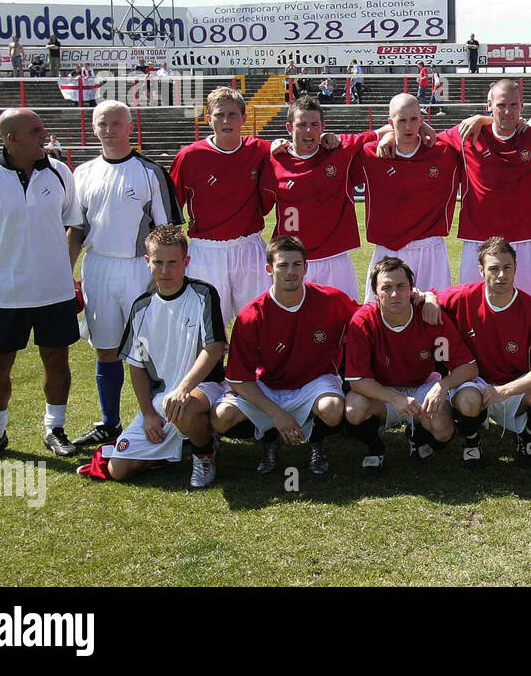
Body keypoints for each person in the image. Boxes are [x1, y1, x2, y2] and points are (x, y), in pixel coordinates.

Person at [398, 78, 531, 300]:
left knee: (530, 310)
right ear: (489, 105)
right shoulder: (467, 135)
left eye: (513, 105)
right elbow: (423, 137)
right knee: (475, 309)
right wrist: (405, 128)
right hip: (478, 240)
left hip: (525, 241)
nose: (508, 111)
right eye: (501, 105)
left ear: (522, 105)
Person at [0, 108, 83, 462]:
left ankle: (54, 429)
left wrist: (62, 264)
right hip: (4, 292)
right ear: (11, 138)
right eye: (35, 130)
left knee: (57, 360)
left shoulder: (60, 173)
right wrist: (5, 259)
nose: (44, 134)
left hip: (54, 291)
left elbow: (74, 223)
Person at [68, 100, 184, 449]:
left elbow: (170, 230)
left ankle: (156, 419)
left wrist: (159, 275)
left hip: (139, 268)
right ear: (93, 127)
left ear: (131, 127)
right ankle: (109, 422)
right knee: (106, 350)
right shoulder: (83, 173)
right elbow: (76, 227)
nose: (109, 129)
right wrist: (65, 271)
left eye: (116, 123)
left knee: (147, 351)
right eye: (103, 123)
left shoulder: (150, 172)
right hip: (99, 266)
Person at [91, 225, 226, 487]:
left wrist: (184, 388)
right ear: (147, 262)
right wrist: (147, 413)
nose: (165, 271)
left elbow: (215, 347)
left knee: (180, 407)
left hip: (204, 388)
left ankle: (204, 452)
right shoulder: (141, 307)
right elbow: (137, 365)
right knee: (118, 468)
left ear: (186, 262)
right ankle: (171, 449)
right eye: (158, 263)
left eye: (173, 263)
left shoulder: (203, 294)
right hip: (163, 399)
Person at [212, 236, 358, 475]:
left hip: (314, 382)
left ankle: (316, 442)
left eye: (296, 265)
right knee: (221, 417)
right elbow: (239, 379)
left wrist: (420, 297)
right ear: (269, 269)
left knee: (333, 409)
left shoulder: (330, 300)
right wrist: (276, 413)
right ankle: (269, 439)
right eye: (282, 265)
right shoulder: (251, 315)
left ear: (306, 267)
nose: (290, 272)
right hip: (268, 384)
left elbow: (367, 318)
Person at [429, 238, 531, 467]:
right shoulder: (463, 297)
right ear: (481, 270)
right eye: (493, 268)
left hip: (515, 383)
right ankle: (472, 440)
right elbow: (428, 294)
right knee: (468, 402)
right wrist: (430, 299)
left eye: (507, 267)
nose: (501, 275)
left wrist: (505, 390)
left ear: (515, 267)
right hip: (475, 380)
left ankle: (526, 433)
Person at [341, 256, 480, 476]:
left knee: (443, 430)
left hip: (422, 385)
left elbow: (469, 367)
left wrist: (442, 386)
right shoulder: (363, 321)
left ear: (412, 289)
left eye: (400, 286)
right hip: (383, 391)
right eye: (386, 288)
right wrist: (394, 398)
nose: (394, 294)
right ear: (376, 294)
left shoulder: (429, 314)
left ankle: (417, 436)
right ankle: (375, 447)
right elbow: (357, 381)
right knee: (353, 409)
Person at [170, 87, 274, 326]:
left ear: (244, 118)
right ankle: (211, 365)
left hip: (249, 247)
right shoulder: (189, 156)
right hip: (206, 251)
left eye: (232, 114)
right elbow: (172, 207)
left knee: (259, 322)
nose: (226, 120)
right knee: (205, 325)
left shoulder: (260, 149)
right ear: (208, 118)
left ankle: (254, 365)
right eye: (219, 114)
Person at [260, 95, 372, 300]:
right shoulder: (274, 160)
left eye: (314, 124)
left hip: (335, 258)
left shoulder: (338, 151)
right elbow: (261, 207)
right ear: (289, 128)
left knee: (345, 321)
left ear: (323, 127)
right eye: (301, 125)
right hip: (293, 260)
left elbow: (386, 132)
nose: (309, 131)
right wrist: (271, 146)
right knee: (293, 323)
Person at [353, 94, 461, 299]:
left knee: (434, 316)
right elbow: (342, 148)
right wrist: (382, 135)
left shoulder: (444, 152)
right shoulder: (371, 155)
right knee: (380, 318)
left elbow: (480, 132)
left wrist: (484, 118)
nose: (409, 126)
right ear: (390, 122)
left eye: (414, 119)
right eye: (402, 120)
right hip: (388, 250)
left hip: (431, 249)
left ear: (422, 120)